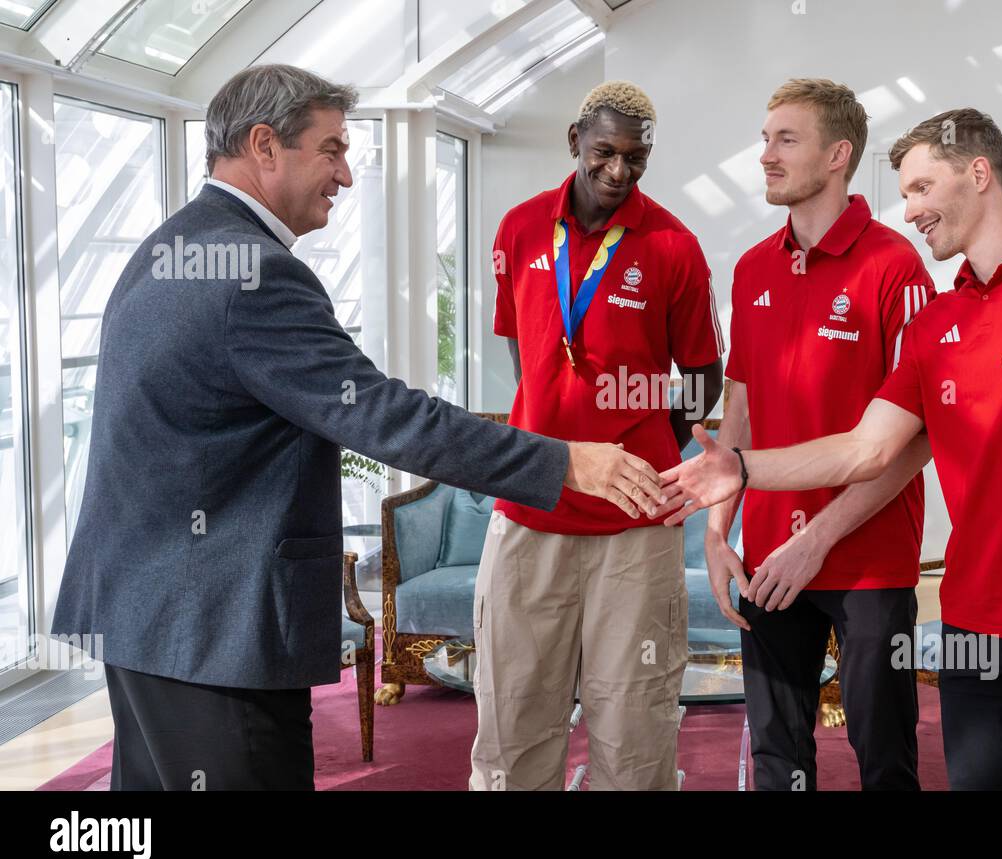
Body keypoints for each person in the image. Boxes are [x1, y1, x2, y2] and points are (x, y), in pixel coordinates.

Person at [50, 64, 660, 791]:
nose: (344, 174)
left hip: (148, 616)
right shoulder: (256, 275)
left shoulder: (169, 244)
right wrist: (564, 462)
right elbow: (382, 413)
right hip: (217, 632)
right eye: (332, 150)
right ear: (265, 146)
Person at [660, 108, 1002, 791]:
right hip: (973, 627)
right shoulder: (936, 325)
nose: (910, 211)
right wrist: (740, 467)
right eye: (906, 194)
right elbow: (866, 449)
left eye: (921, 189)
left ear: (978, 173)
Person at [470, 80, 724, 791]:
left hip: (633, 528)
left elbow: (704, 378)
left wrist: (643, 447)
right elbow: (529, 355)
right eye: (605, 152)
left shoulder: (674, 245)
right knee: (513, 720)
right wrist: (555, 438)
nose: (619, 171)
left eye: (636, 158)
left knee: (634, 728)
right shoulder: (519, 230)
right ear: (575, 139)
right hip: (529, 508)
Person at [709, 79, 934, 791]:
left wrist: (819, 539)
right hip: (768, 554)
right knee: (777, 759)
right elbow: (736, 411)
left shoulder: (896, 268)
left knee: (885, 757)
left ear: (838, 155)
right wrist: (721, 534)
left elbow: (915, 436)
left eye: (786, 139)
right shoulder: (751, 271)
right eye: (765, 137)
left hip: (870, 560)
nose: (765, 155)